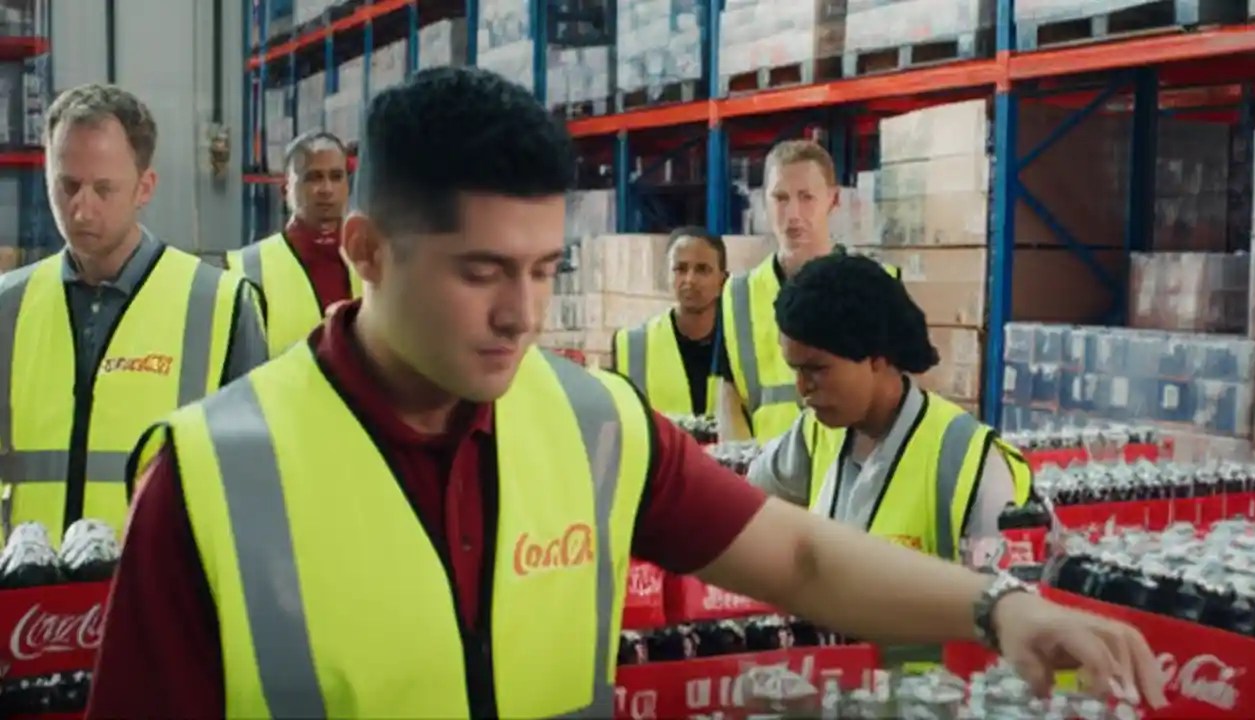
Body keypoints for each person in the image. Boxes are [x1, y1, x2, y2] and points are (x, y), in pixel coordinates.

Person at [88, 67, 1165, 718]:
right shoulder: (216, 475)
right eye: (479, 272)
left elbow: (788, 552)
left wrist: (997, 607)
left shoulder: (589, 422)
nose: (521, 314)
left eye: (544, 269)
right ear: (366, 250)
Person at [0, 83, 266, 540]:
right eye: (67, 185)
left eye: (104, 189)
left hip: (154, 596)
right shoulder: (9, 305)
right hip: (27, 597)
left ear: (145, 187)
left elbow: (252, 482)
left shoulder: (221, 305)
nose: (81, 210)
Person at [747, 251, 1032, 559]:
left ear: (876, 358)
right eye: (796, 369)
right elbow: (748, 507)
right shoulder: (814, 434)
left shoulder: (971, 463)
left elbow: (1001, 596)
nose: (802, 387)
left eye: (817, 369)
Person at [717, 140, 899, 445]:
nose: (793, 214)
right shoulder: (737, 295)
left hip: (851, 478)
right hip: (767, 480)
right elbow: (729, 395)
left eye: (806, 198)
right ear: (764, 201)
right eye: (781, 198)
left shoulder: (877, 287)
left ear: (833, 199)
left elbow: (893, 398)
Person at [226, 129, 360, 357]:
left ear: (347, 187)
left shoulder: (372, 260)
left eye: (336, 177)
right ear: (285, 189)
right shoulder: (247, 268)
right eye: (313, 177)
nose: (326, 189)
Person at [612, 227, 728, 417]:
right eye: (680, 269)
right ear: (667, 275)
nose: (689, 280)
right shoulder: (634, 345)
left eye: (702, 270)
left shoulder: (739, 343)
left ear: (722, 280)